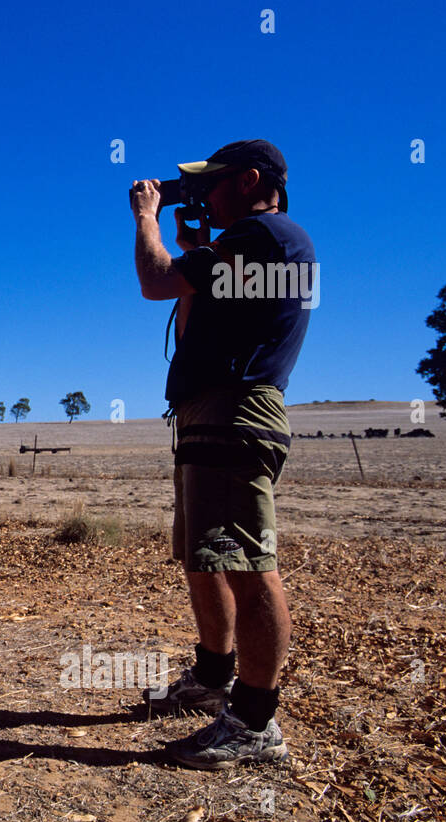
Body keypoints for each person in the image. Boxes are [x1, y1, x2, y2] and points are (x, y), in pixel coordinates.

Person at [129, 140, 316, 768]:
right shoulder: (256, 245)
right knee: (206, 554)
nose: (202, 194)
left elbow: (156, 284)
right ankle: (213, 678)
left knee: (245, 561)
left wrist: (148, 219)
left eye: (213, 183)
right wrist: (196, 248)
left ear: (251, 180)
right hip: (212, 411)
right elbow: (190, 316)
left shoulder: (265, 236)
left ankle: (256, 723)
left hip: (237, 411)